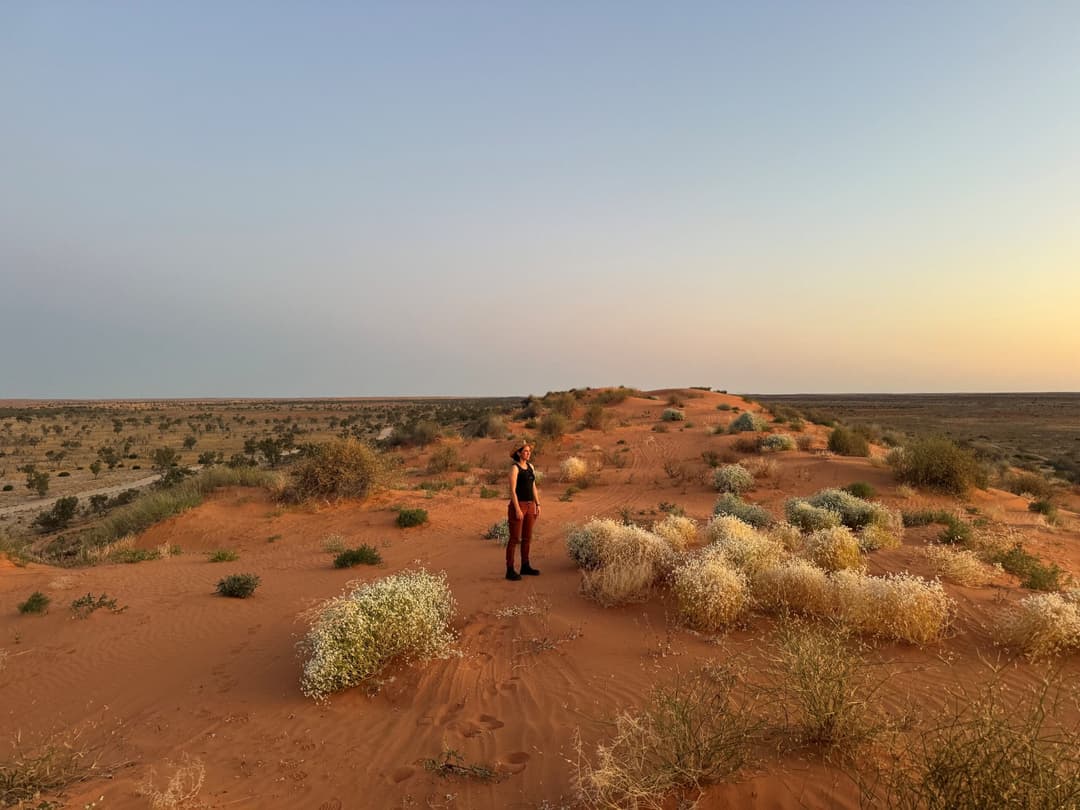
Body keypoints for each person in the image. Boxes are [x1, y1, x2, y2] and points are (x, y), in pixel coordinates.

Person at [506, 441, 541, 580]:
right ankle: (509, 569)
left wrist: (538, 504)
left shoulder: (530, 467)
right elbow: (512, 491)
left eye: (529, 451)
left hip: (530, 504)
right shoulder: (515, 468)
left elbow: (533, 487)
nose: (528, 453)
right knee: (514, 538)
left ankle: (525, 566)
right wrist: (517, 509)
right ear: (519, 453)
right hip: (519, 505)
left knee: (527, 537)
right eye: (525, 451)